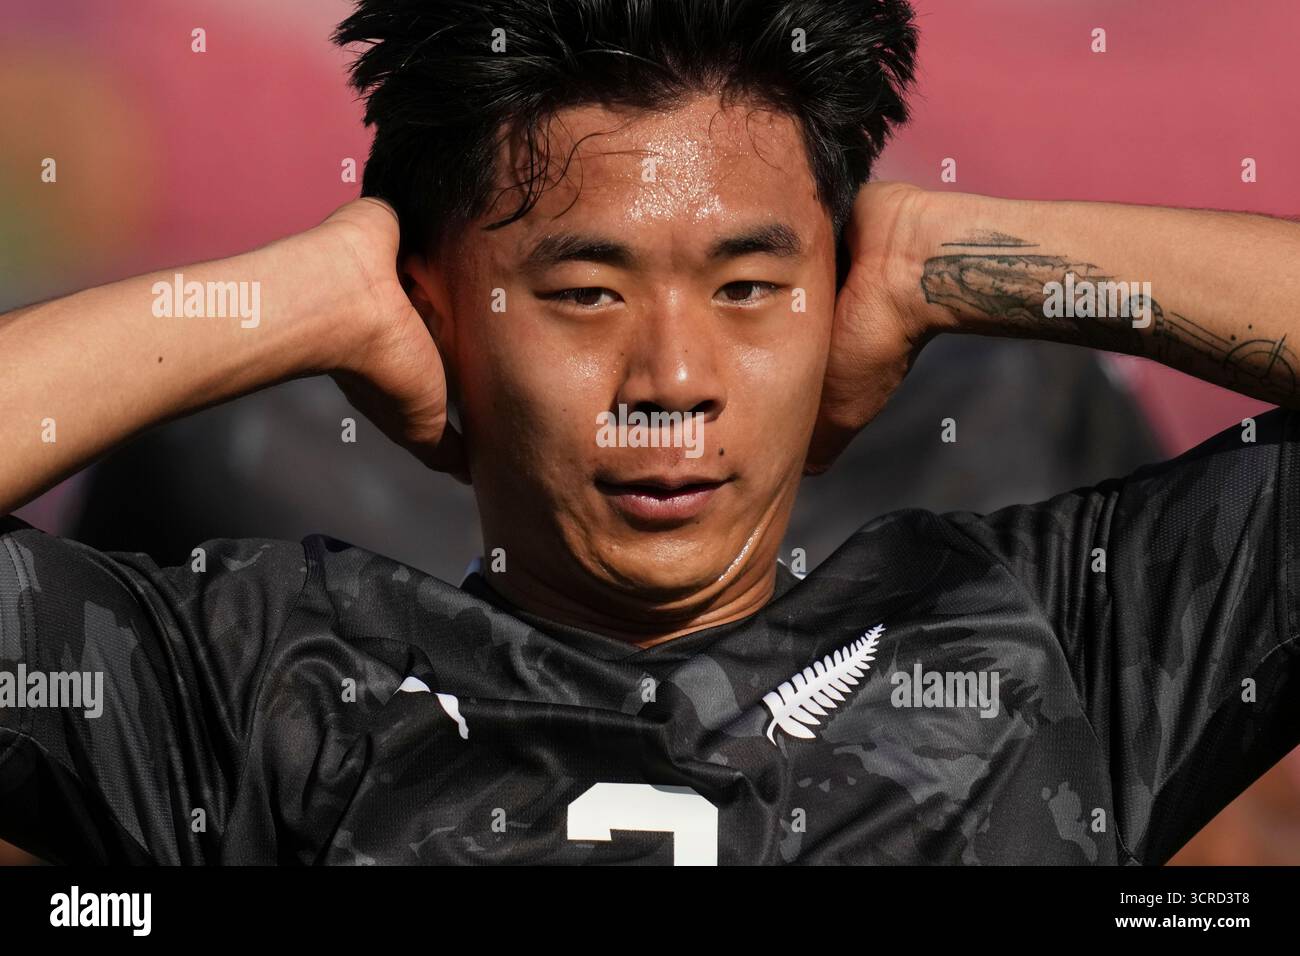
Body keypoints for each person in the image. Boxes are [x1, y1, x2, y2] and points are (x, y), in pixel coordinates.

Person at [1, 0, 1297, 865]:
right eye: (583, 296)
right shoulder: (263, 693)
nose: (673, 376)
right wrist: (300, 299)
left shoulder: (1048, 643)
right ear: (434, 310)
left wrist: (956, 254)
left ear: (839, 297)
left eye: (749, 288)